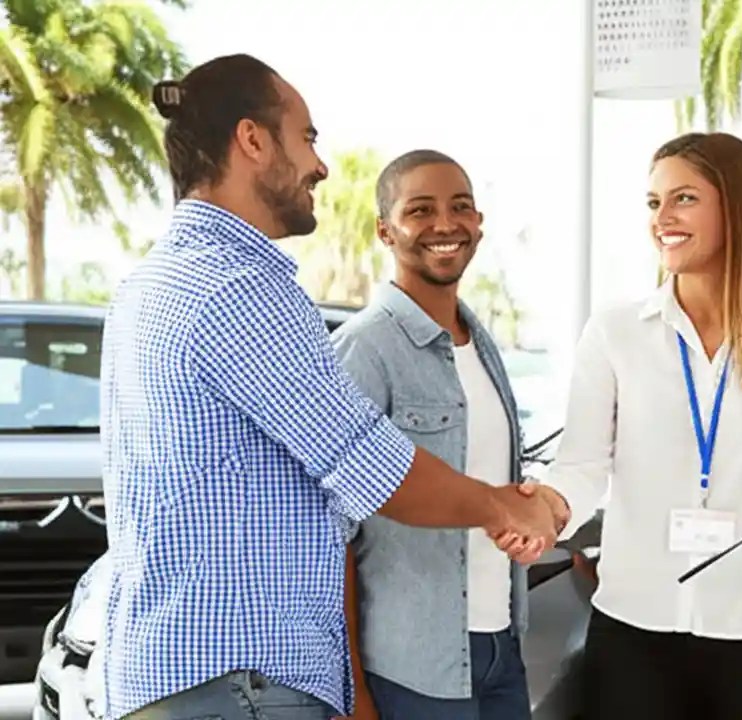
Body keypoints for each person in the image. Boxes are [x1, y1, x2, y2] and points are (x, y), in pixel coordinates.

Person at [99, 55, 556, 720]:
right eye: (307, 137)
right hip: (241, 682)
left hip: (184, 673)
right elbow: (372, 467)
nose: (320, 165)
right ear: (253, 140)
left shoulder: (152, 280)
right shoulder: (243, 288)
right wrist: (505, 509)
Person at [521, 132, 742, 720]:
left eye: (683, 199)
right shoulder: (615, 333)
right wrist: (545, 509)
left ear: (737, 206)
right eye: (654, 203)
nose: (663, 219)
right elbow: (581, 466)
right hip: (635, 628)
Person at [332, 150, 563, 720]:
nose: (445, 224)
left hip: (500, 648)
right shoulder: (364, 350)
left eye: (460, 207)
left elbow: (491, 481)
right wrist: (353, 691)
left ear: (478, 223)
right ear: (386, 230)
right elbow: (330, 535)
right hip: (410, 668)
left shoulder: (482, 345)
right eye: (421, 209)